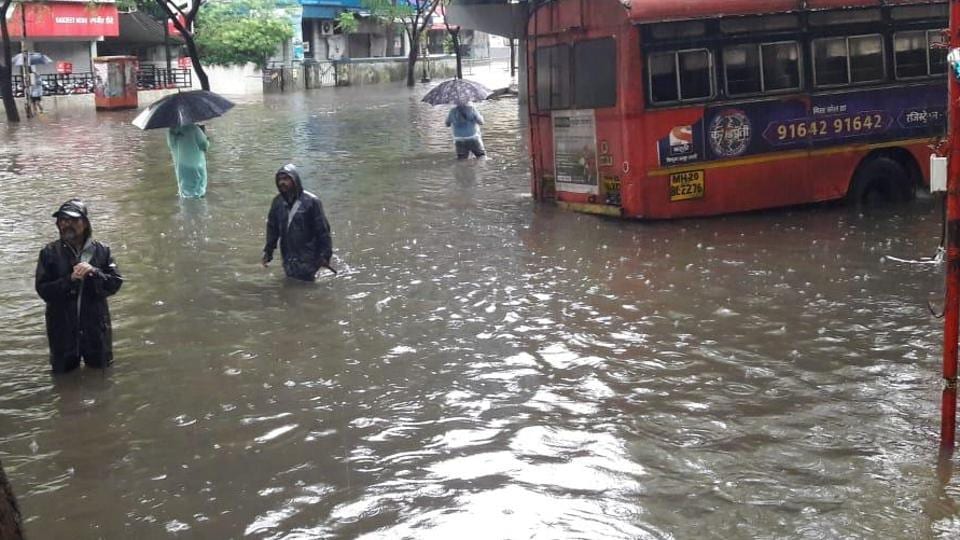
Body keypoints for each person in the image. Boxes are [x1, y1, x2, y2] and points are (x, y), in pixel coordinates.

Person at [35, 200, 123, 373]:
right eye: (63, 220)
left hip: (96, 327)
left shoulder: (102, 251)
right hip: (62, 329)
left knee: (102, 374)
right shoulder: (49, 253)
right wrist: (70, 280)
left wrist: (94, 272)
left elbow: (114, 283)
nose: (67, 224)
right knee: (63, 376)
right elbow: (43, 290)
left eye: (73, 220)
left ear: (85, 223)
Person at [262, 164, 333, 281]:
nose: (282, 183)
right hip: (288, 255)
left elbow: (323, 231)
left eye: (286, 179)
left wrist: (325, 255)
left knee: (307, 285)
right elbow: (272, 229)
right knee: (291, 281)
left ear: (295, 180)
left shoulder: (311, 201)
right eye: (279, 180)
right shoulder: (277, 203)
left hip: (309, 255)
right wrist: (268, 252)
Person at [166, 123, 210, 198]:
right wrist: (205, 136)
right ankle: (199, 207)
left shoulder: (171, 131)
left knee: (184, 189)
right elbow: (204, 145)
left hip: (181, 165)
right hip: (196, 164)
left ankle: (185, 206)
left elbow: (171, 145)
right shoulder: (194, 129)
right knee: (199, 190)